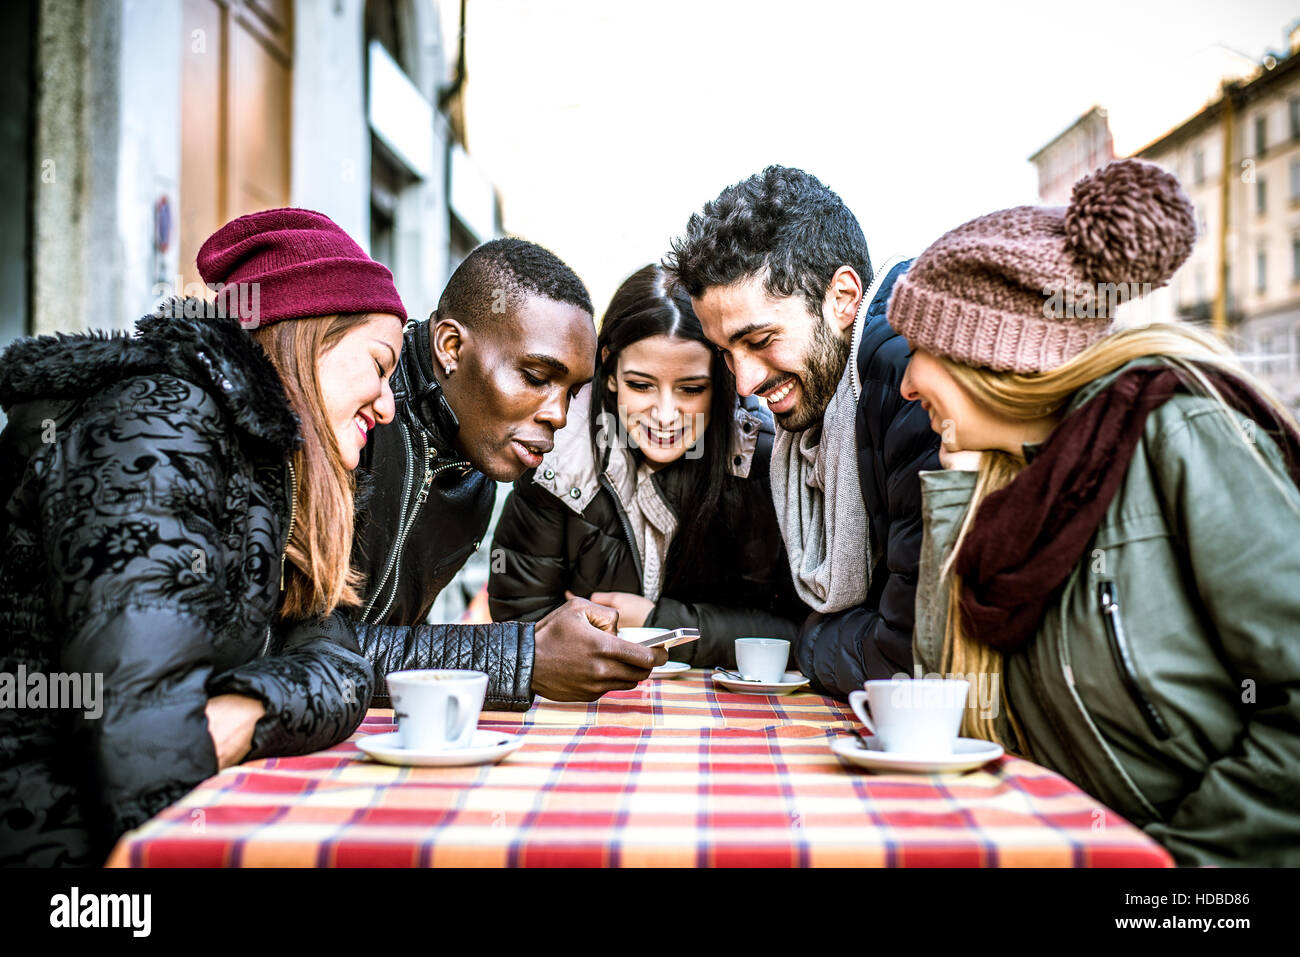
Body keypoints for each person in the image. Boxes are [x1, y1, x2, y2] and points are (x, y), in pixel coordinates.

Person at [894, 158, 1300, 866]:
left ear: (988, 356)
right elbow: (948, 703)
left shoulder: (1178, 433)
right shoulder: (1013, 488)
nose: (903, 384)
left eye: (920, 350)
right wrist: (960, 479)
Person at [0, 207, 400, 866]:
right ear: (309, 338)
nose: (387, 405)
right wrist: (254, 708)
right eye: (379, 365)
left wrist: (246, 709)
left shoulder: (258, 462)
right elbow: (147, 765)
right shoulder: (160, 426)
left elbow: (335, 654)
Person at [349, 239, 666, 710]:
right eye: (537, 377)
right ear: (451, 347)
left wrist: (535, 647)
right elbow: (309, 648)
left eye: (573, 391)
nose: (558, 415)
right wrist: (523, 656)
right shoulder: (357, 419)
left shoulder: (477, 481)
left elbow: (386, 646)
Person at [668, 166, 941, 698]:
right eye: (726, 354)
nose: (745, 382)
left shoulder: (911, 381)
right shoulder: (833, 405)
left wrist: (810, 641)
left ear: (842, 297)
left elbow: (911, 660)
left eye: (762, 338)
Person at [487, 264, 807, 665]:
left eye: (691, 389)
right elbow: (518, 635)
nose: (666, 415)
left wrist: (658, 624)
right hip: (592, 713)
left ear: (723, 379)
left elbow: (806, 633)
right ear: (610, 371)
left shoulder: (766, 463)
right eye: (641, 385)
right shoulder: (556, 460)